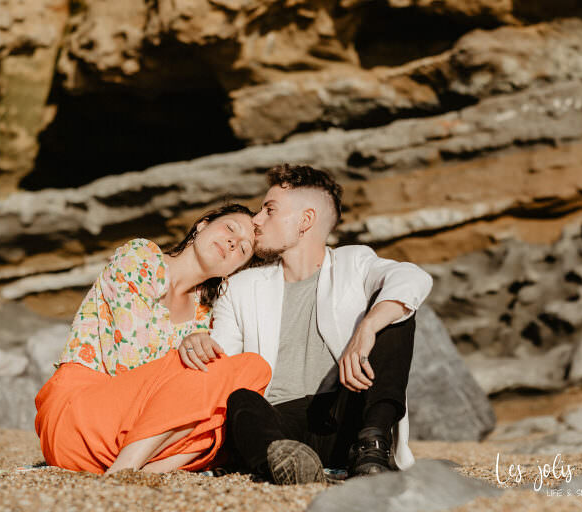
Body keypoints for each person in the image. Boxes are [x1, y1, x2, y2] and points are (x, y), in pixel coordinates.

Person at [178, 165, 433, 484]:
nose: (256, 220)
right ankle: (283, 464)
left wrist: (367, 327)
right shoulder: (242, 287)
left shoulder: (353, 263)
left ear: (305, 220)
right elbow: (224, 366)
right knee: (240, 398)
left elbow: (412, 277)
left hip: (347, 418)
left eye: (269, 210)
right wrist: (196, 341)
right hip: (278, 427)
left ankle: (372, 447)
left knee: (394, 314)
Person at [34, 204, 271, 475]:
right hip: (78, 417)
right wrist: (185, 361)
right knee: (210, 368)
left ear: (234, 271)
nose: (233, 242)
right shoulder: (140, 257)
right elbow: (126, 361)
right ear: (202, 225)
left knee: (253, 367)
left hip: (130, 439)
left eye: (243, 249)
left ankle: (145, 473)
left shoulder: (205, 318)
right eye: (230, 228)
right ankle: (127, 471)